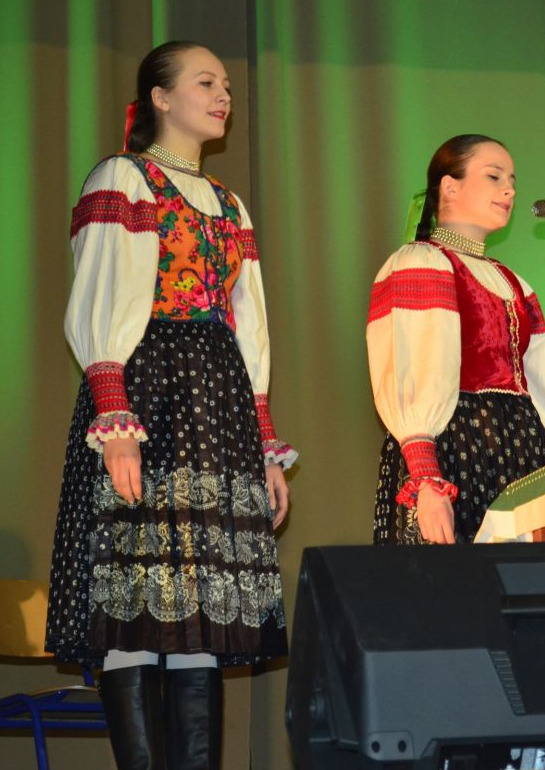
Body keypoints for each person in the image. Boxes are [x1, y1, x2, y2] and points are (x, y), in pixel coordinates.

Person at [45, 41, 296, 769]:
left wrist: (266, 446)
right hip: (146, 391)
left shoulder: (228, 202)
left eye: (225, 84)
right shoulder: (126, 178)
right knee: (134, 603)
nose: (223, 95)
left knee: (197, 619)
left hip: (215, 402)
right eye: (205, 82)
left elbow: (250, 327)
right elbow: (99, 301)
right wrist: (115, 420)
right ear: (160, 97)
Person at [369, 134, 545, 546]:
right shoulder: (422, 262)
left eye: (512, 179)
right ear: (450, 186)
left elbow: (539, 379)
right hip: (456, 446)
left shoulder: (515, 283)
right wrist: (426, 479)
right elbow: (411, 374)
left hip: (521, 451)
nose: (510, 189)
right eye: (494, 176)